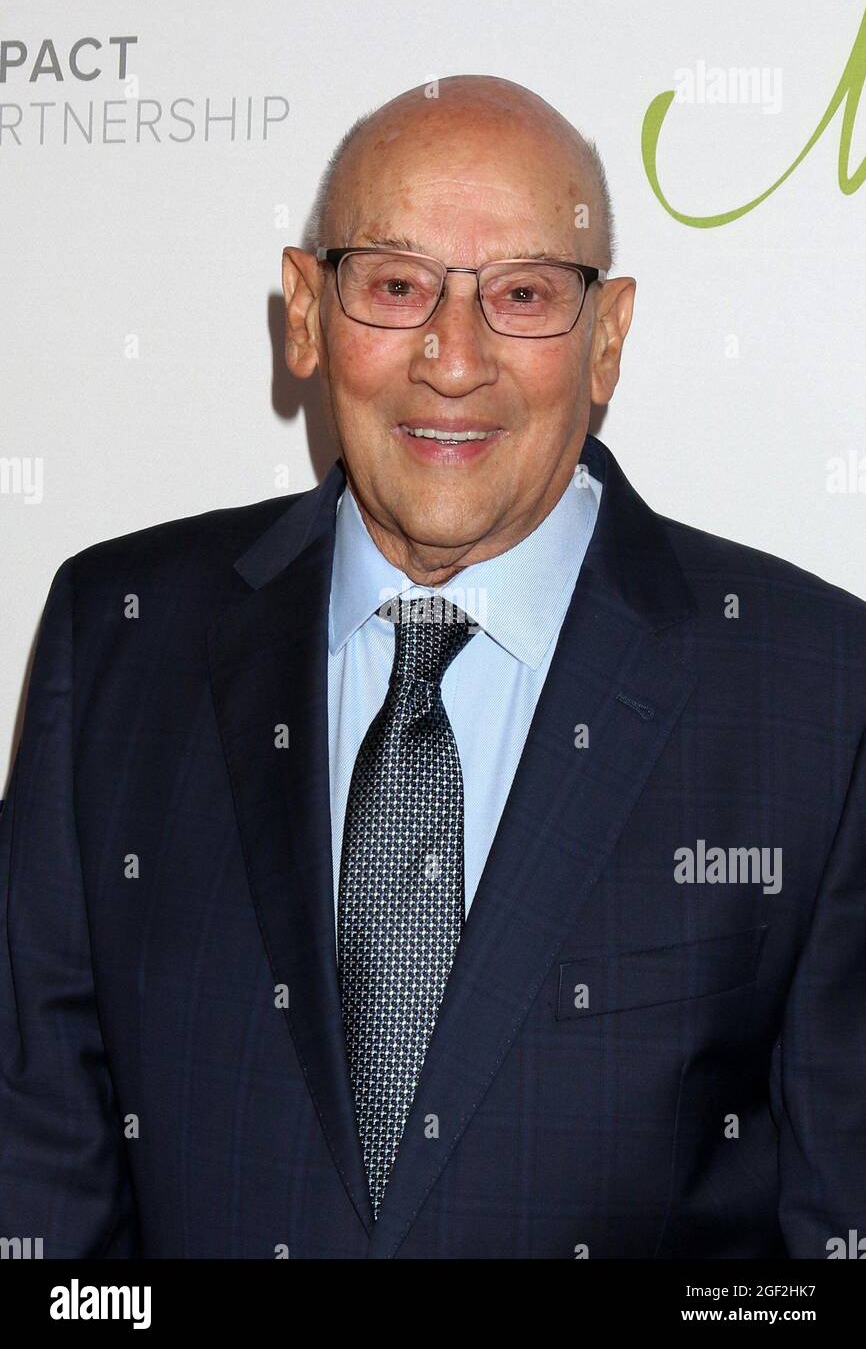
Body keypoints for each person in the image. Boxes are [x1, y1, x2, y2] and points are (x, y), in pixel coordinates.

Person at [1, 74, 864, 1260]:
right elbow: (39, 1156)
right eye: (395, 286)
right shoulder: (120, 635)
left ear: (605, 337)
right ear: (305, 311)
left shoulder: (814, 689)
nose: (452, 360)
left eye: (520, 294)